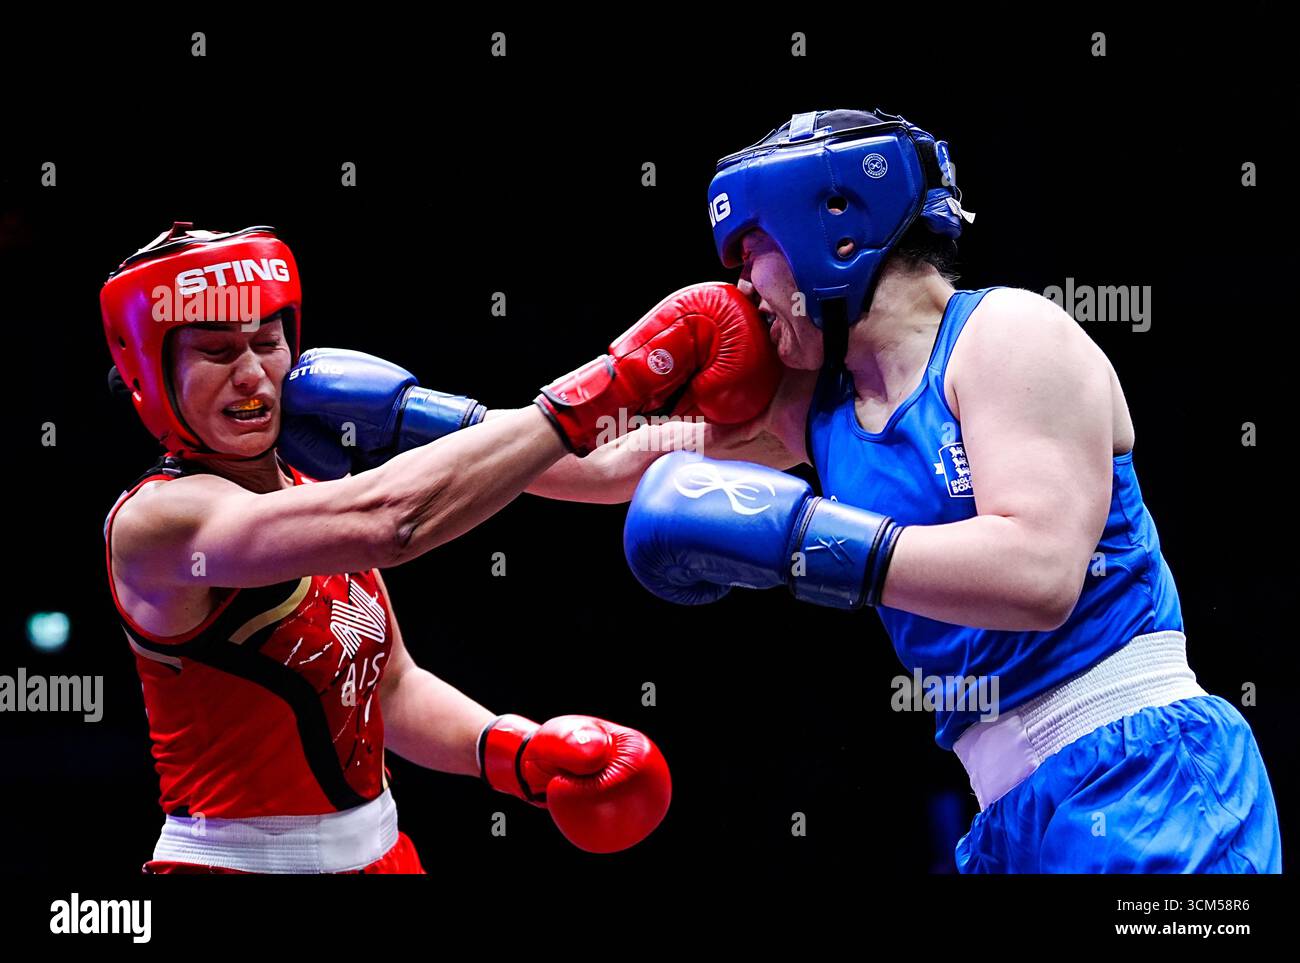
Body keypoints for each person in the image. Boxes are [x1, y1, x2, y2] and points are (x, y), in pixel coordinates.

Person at [301, 110, 1282, 873]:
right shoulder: (813, 411)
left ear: (833, 229)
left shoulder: (1008, 336)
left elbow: (1036, 575)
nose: (741, 286)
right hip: (1007, 803)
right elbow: (599, 466)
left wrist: (796, 536)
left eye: (750, 252)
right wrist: (410, 422)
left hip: (1143, 765)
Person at [100, 222, 777, 873]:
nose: (252, 375)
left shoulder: (308, 489)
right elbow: (394, 522)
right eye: (217, 353)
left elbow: (392, 687)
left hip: (386, 854)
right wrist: (620, 376)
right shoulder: (159, 523)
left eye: (267, 342)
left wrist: (512, 748)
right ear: (149, 371)